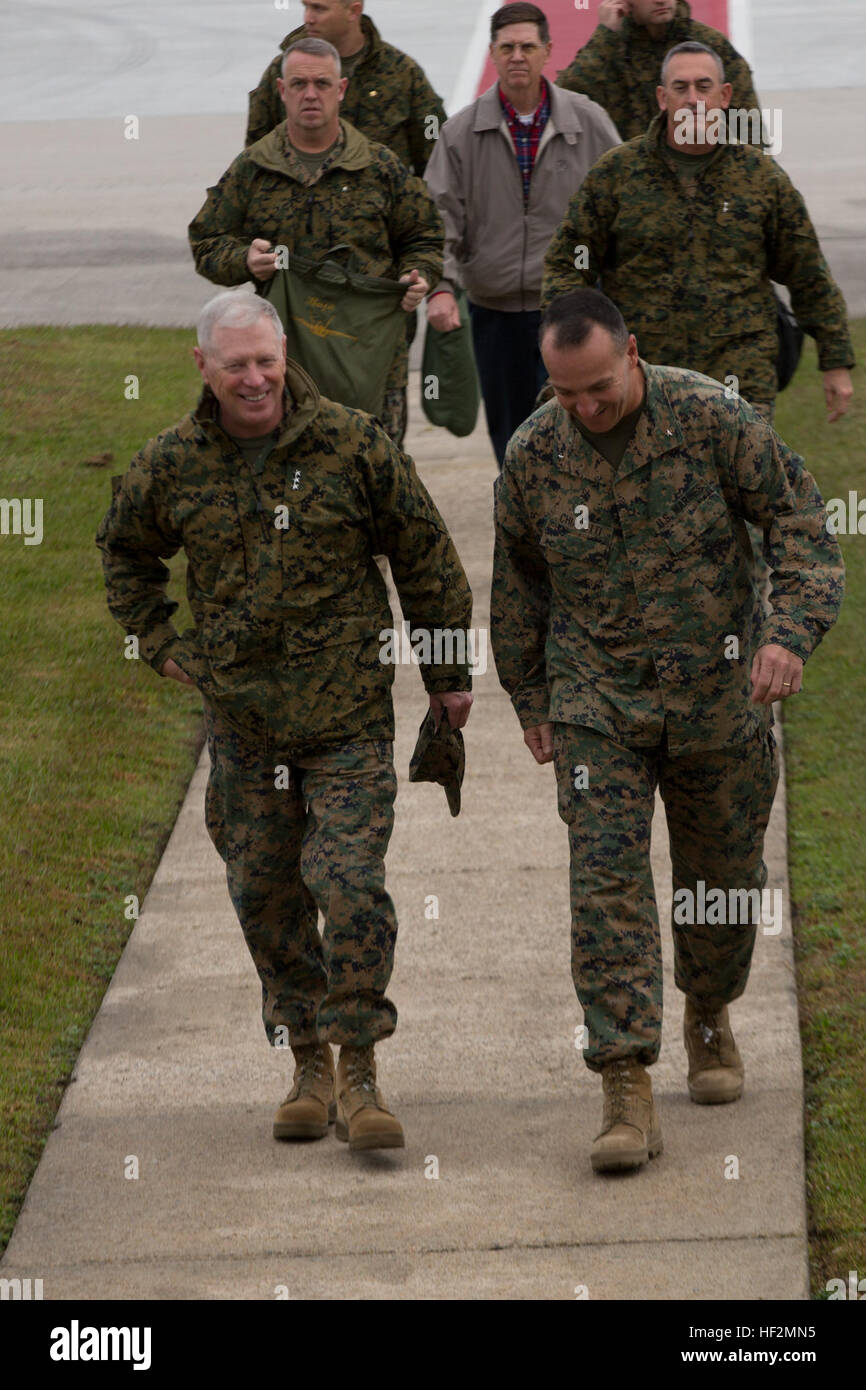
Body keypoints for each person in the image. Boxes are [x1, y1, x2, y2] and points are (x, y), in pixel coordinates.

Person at [96, 292, 473, 1152]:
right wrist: (158, 641)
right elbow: (124, 550)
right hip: (244, 730)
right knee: (265, 897)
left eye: (267, 360)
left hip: (346, 719)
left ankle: (362, 1069)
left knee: (349, 887)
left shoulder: (350, 444)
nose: (256, 378)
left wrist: (448, 676)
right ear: (205, 368)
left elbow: (426, 556)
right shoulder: (173, 464)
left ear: (283, 354)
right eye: (237, 366)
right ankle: (306, 1058)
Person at [489, 289, 843, 1174]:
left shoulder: (712, 419)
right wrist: (531, 702)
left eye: (599, 388)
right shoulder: (534, 455)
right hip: (596, 698)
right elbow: (519, 586)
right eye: (566, 393)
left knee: (719, 881)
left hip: (718, 692)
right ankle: (623, 1079)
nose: (585, 408)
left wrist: (787, 637)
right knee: (605, 883)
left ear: (633, 353)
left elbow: (801, 525)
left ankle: (710, 1009)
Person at [542, 43, 855, 423]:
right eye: (680, 87)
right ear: (662, 97)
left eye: (703, 86)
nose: (692, 99)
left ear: (724, 96)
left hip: (740, 383)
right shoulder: (617, 174)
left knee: (742, 482)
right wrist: (580, 342)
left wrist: (835, 361)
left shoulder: (761, 179)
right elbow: (567, 262)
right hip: (645, 382)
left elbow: (809, 275)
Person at [189, 37, 443, 447]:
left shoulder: (380, 167)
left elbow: (424, 236)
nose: (311, 94)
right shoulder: (254, 168)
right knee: (290, 489)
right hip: (284, 372)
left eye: (322, 84)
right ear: (281, 91)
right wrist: (244, 260)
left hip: (372, 365)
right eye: (299, 84)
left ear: (341, 90)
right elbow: (205, 241)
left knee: (378, 487)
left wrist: (418, 276)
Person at [424, 2, 619, 469]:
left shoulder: (588, 122)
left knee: (580, 434)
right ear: (492, 52)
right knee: (512, 441)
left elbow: (622, 205)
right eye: (507, 47)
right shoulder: (460, 134)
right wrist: (441, 287)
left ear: (548, 51)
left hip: (571, 312)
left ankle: (576, 531)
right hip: (495, 315)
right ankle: (524, 533)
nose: (517, 56)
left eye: (528, 46)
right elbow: (438, 216)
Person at [245, 0, 447, 174]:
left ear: (353, 11)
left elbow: (435, 155)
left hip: (378, 212)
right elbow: (256, 154)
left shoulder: (402, 74)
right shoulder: (283, 72)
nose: (308, 18)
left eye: (319, 9)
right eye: (306, 7)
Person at [557, 0, 761, 143]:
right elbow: (566, 99)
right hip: (635, 185)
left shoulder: (709, 44)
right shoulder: (609, 49)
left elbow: (747, 122)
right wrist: (605, 35)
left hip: (703, 182)